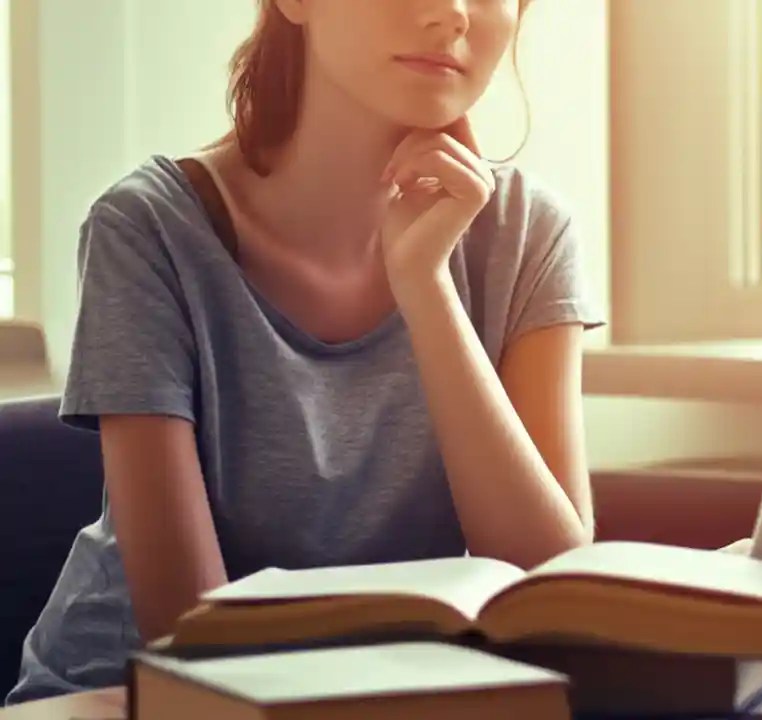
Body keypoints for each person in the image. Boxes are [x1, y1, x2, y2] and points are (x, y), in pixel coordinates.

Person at [7, 0, 603, 704]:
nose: (451, 13)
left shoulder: (527, 235)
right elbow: (186, 627)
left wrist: (426, 287)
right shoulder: (148, 230)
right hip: (128, 693)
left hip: (388, 695)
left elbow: (554, 591)